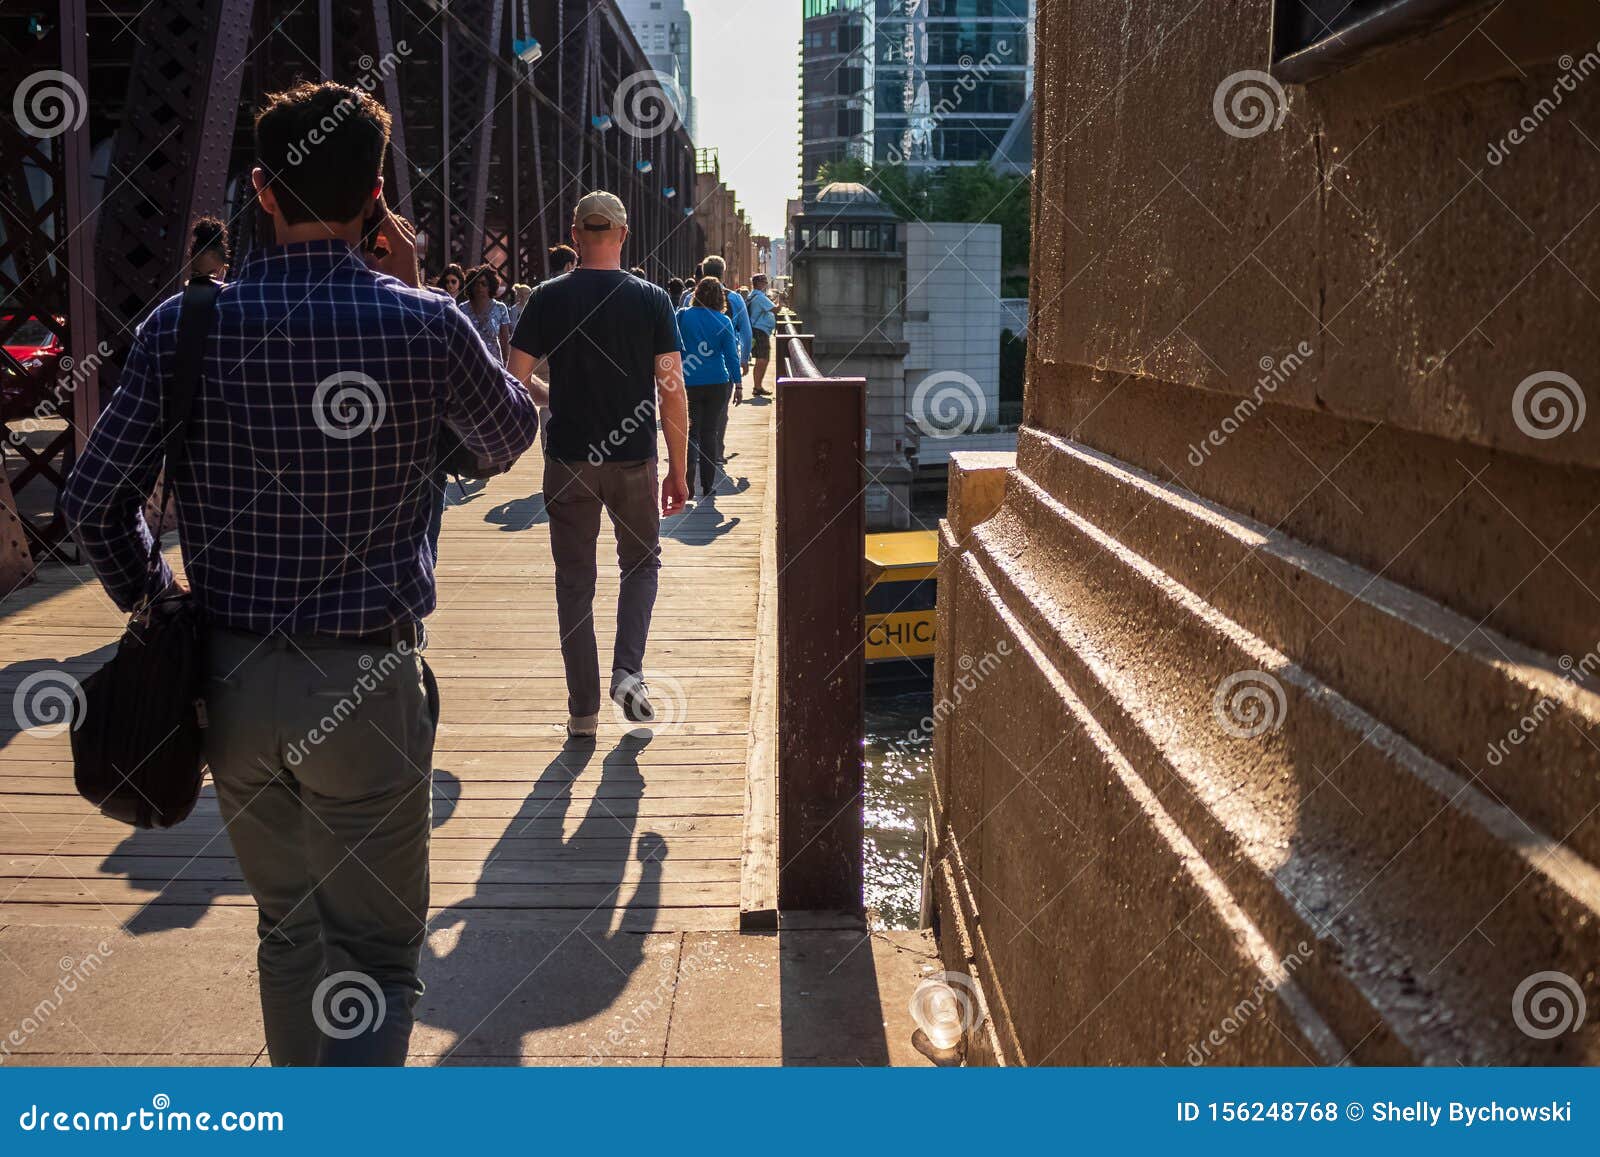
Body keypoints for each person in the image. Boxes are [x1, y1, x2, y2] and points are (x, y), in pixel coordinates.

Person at [63, 81, 539, 1067]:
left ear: (260, 191)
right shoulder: (424, 325)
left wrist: (161, 605)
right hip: (367, 683)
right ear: (376, 193)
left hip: (230, 678)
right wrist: (431, 292)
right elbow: (506, 438)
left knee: (289, 933)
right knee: (374, 948)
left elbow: (90, 503)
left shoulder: (183, 327)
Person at [506, 191, 689, 738]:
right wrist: (679, 470)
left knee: (574, 582)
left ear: (575, 233)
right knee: (640, 564)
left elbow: (513, 376)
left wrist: (549, 396)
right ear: (623, 235)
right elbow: (673, 390)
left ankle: (582, 712)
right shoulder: (653, 299)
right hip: (634, 461)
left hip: (567, 460)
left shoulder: (545, 297)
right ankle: (628, 672)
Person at [675, 277, 743, 500]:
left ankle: (688, 485)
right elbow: (731, 356)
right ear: (719, 298)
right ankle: (707, 485)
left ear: (696, 294)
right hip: (716, 382)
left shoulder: (682, 315)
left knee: (690, 434)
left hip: (688, 381)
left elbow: (671, 346)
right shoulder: (724, 320)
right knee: (709, 433)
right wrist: (738, 383)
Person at [461, 263, 512, 363]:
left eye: (484, 283)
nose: (479, 287)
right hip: (468, 362)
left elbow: (504, 339)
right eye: (476, 283)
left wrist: (506, 363)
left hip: (494, 362)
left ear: (491, 286)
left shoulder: (500, 308)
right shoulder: (462, 308)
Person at [748, 274, 777, 398]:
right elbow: (776, 309)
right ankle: (757, 387)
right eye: (764, 282)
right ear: (759, 283)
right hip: (761, 330)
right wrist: (781, 299)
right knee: (762, 359)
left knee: (761, 358)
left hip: (757, 329)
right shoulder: (759, 296)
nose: (766, 284)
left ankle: (758, 386)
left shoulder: (753, 295)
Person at [188, 215, 230, 281]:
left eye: (212, 276)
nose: (203, 281)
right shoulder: (186, 291)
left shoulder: (233, 291)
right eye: (196, 275)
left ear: (225, 269)